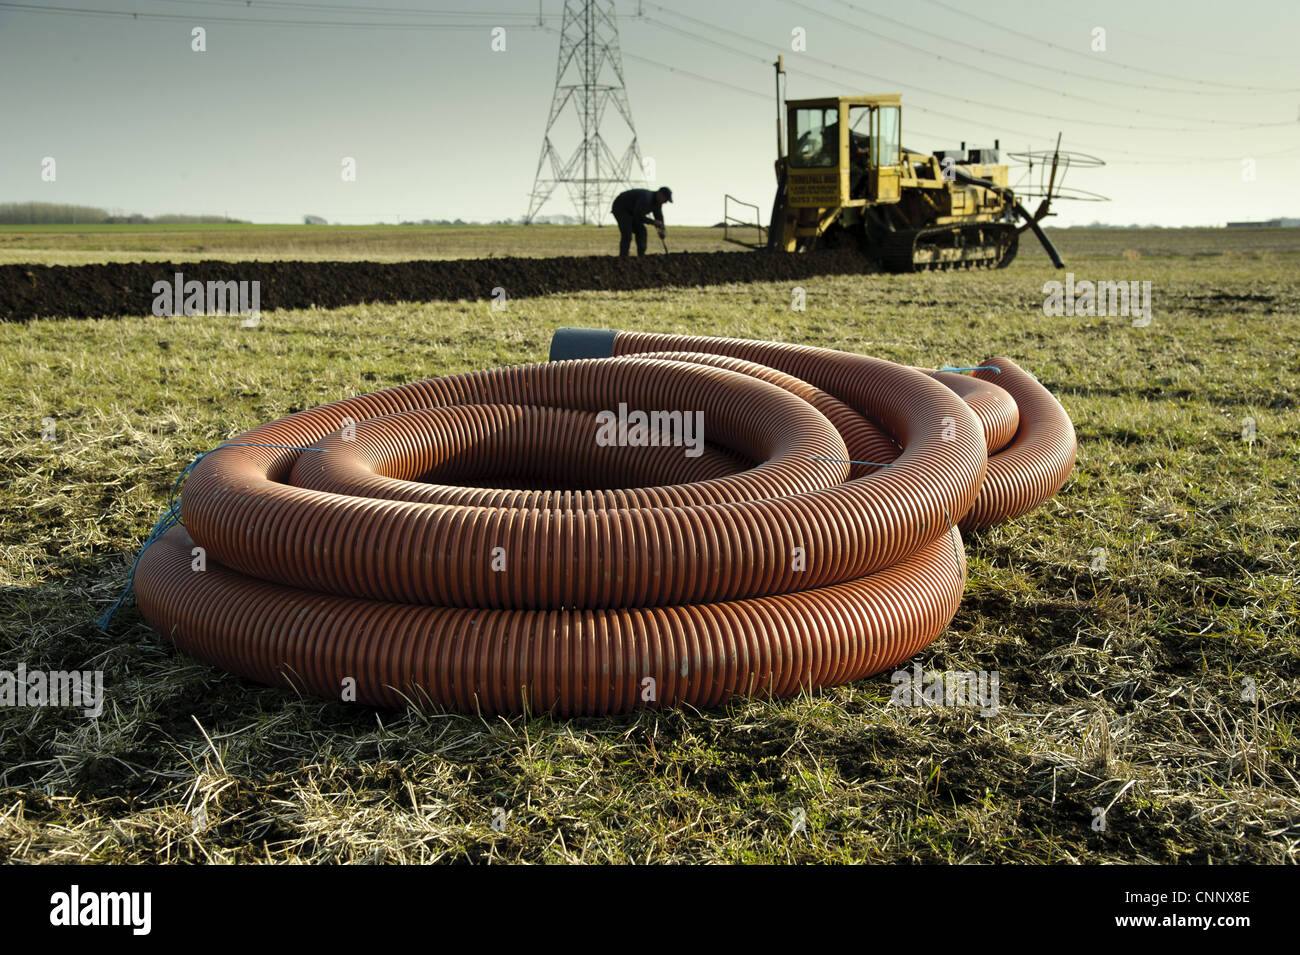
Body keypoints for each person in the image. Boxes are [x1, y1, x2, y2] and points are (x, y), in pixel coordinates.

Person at [611, 186, 672, 257]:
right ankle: (623, 257)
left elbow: (659, 217)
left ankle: (641, 257)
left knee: (642, 231)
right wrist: (653, 222)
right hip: (621, 208)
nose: (665, 202)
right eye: (666, 199)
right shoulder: (646, 198)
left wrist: (662, 230)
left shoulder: (657, 203)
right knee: (627, 233)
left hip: (633, 211)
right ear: (660, 194)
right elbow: (638, 216)